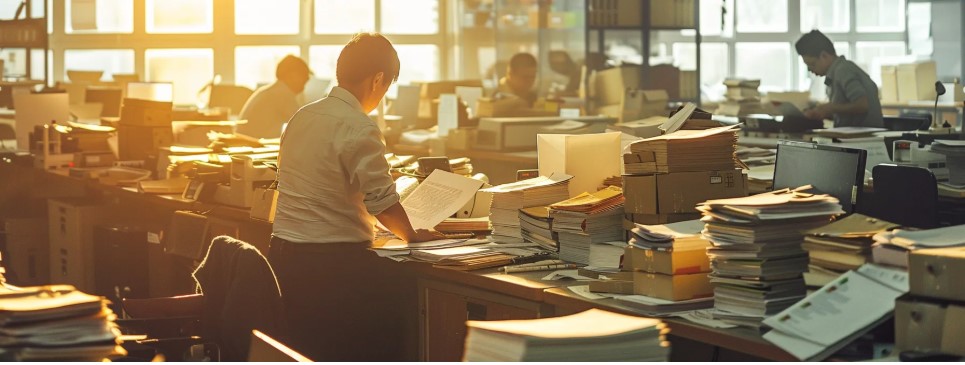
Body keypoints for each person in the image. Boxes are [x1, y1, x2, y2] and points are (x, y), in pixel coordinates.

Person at [267, 33, 442, 361]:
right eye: (387, 84)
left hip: (284, 258)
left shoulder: (301, 116)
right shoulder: (359, 126)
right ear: (378, 79)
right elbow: (382, 202)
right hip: (333, 267)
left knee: (304, 350)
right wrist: (412, 236)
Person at [795, 30, 883, 128]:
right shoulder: (835, 73)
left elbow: (862, 105)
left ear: (824, 56)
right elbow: (847, 113)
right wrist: (822, 112)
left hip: (863, 138)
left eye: (812, 64)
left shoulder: (843, 70)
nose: (809, 70)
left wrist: (831, 108)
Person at [238, 55, 310, 138]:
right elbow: (304, 125)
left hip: (247, 144)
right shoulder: (283, 94)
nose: (307, 78)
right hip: (254, 147)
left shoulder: (269, 91)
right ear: (291, 75)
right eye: (304, 74)